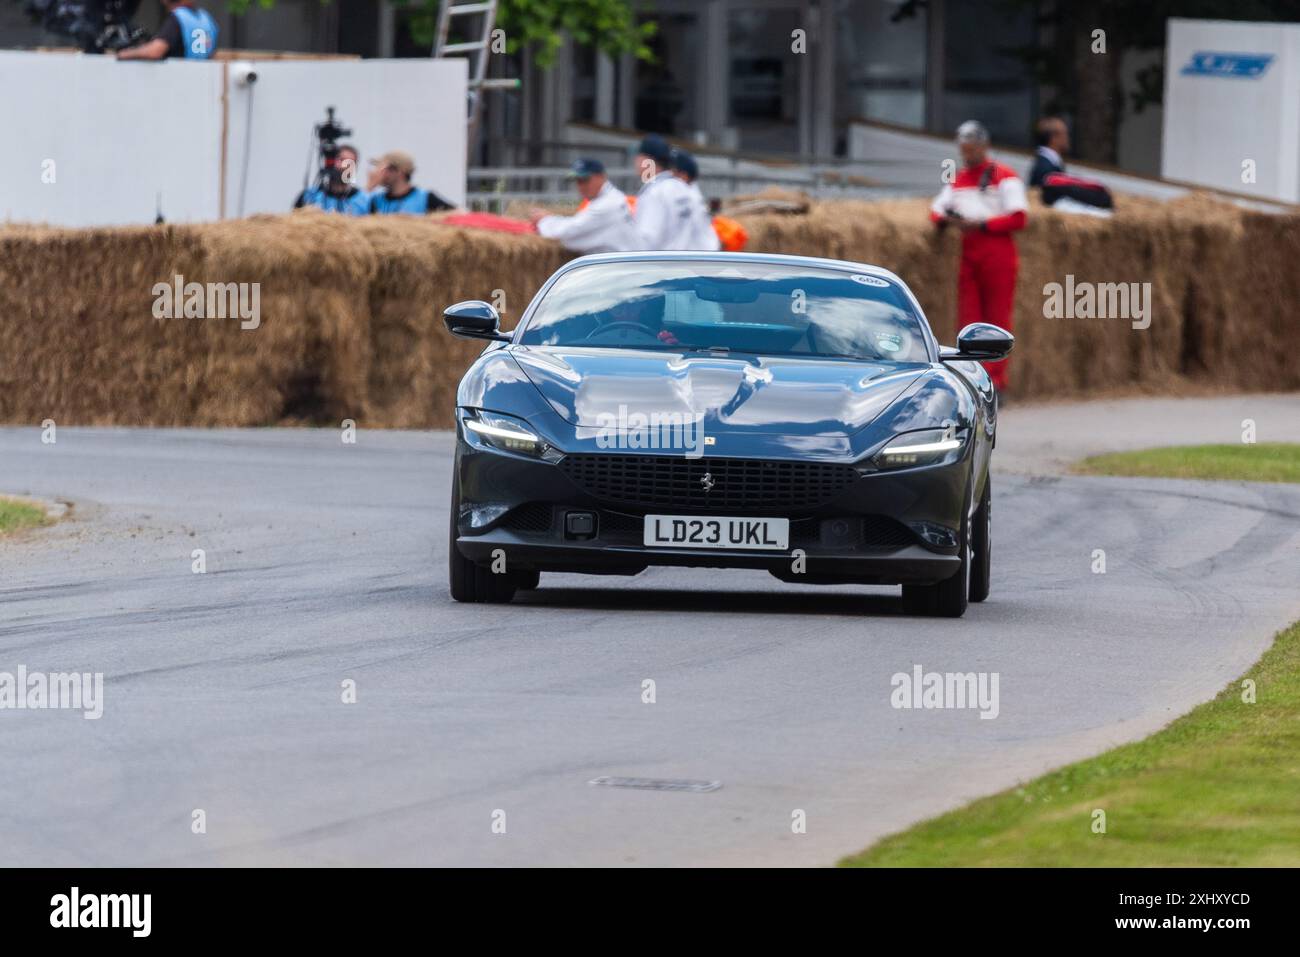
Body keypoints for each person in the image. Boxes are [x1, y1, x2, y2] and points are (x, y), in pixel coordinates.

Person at [929, 120, 1026, 392]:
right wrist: (946, 220)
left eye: (971, 150)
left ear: (984, 147)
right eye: (964, 150)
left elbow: (1019, 217)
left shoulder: (1005, 176)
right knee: (969, 318)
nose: (967, 155)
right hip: (969, 251)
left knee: (997, 318)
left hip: (997, 251)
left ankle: (996, 381)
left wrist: (982, 225)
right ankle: (973, 376)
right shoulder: (957, 179)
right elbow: (935, 209)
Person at [528, 158, 642, 253]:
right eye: (577, 181)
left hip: (620, 270)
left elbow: (567, 232)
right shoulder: (611, 198)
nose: (580, 186)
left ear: (601, 177)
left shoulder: (606, 205)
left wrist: (544, 220)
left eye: (584, 180)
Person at [631, 134, 698, 250]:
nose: (635, 161)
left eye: (638, 156)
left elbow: (646, 241)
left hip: (662, 265)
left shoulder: (654, 192)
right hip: (688, 263)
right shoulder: (684, 188)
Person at [117, 1, 218, 60]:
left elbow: (155, 51)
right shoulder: (206, 18)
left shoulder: (179, 17)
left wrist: (126, 53)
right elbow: (211, 53)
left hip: (179, 81)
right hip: (201, 80)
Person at [367, 151, 455, 214]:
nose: (378, 173)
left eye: (384, 170)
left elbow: (459, 214)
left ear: (399, 172)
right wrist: (369, 188)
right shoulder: (376, 199)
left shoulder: (425, 197)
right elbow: (357, 219)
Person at [668, 149, 722, 252]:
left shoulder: (684, 197)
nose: (669, 174)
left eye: (673, 171)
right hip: (703, 253)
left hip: (699, 258)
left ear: (684, 175)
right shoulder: (692, 194)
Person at [293, 145, 370, 216]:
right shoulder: (310, 196)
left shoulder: (364, 201)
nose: (345, 166)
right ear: (332, 161)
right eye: (341, 160)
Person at [1028, 116, 1068, 187]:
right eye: (1064, 134)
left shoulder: (1050, 162)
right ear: (1053, 138)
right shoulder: (1046, 168)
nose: (1067, 138)